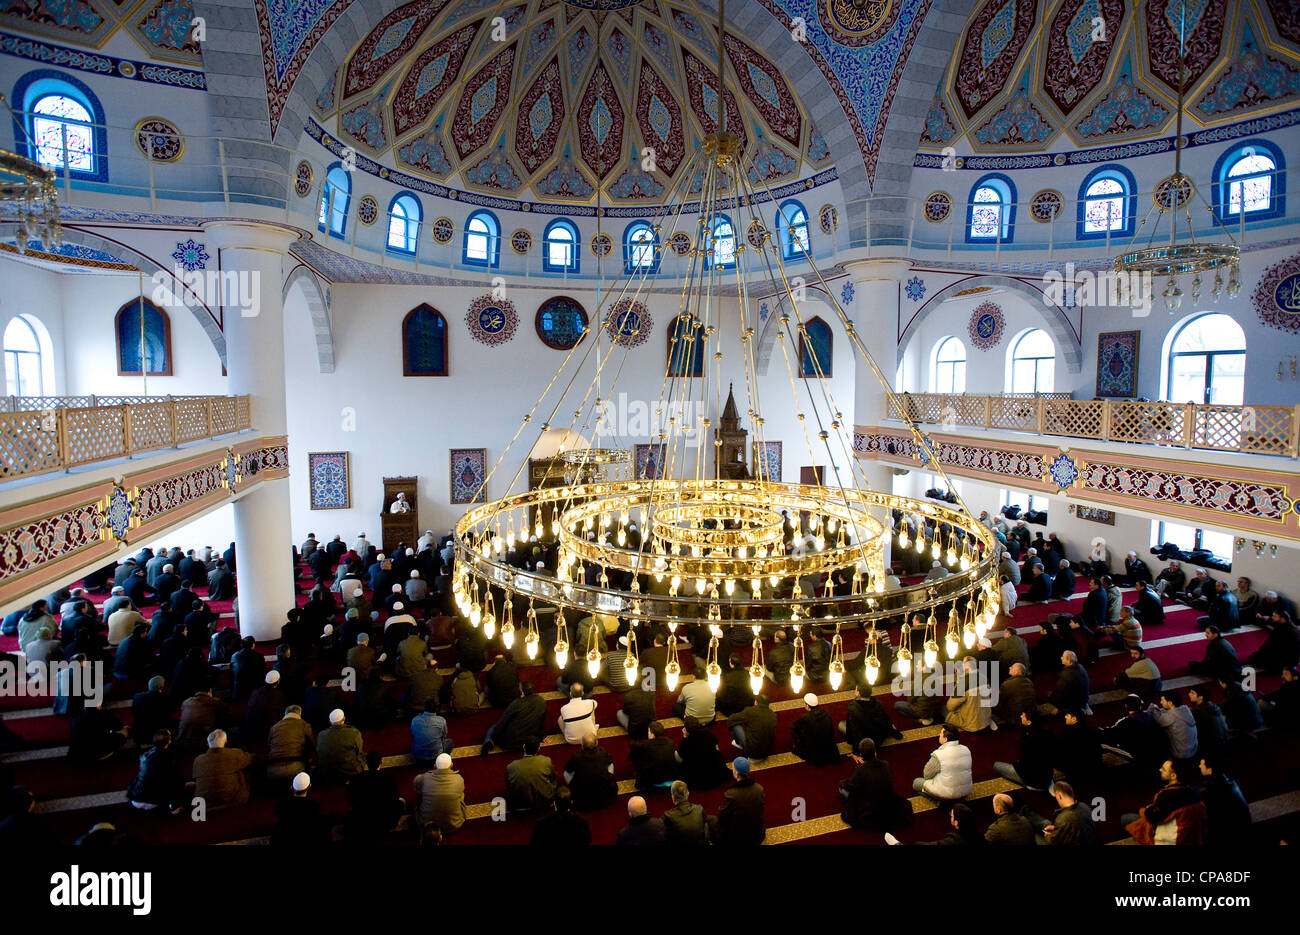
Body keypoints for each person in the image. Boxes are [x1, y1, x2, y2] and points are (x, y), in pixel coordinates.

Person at [1123, 759, 1207, 845]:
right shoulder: (1194, 791)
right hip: (1193, 839)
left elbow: (1152, 816)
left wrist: (1145, 810)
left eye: (1164, 769)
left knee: (1126, 818)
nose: (1160, 770)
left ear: (1173, 776)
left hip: (1173, 841)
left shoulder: (1168, 795)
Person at [840, 738, 911, 832]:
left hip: (870, 808)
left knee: (843, 790)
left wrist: (841, 783)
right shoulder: (885, 764)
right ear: (875, 752)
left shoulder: (860, 769)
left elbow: (850, 785)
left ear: (861, 755)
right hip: (887, 805)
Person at [344, 751, 405, 839]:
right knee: (401, 802)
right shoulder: (389, 779)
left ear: (366, 763)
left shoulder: (356, 779)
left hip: (362, 821)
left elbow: (351, 801)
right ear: (381, 762)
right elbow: (395, 798)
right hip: (385, 821)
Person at [1101, 695, 1169, 770]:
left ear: (1126, 706)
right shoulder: (1150, 717)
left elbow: (1109, 733)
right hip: (1158, 753)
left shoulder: (1126, 722)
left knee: (1104, 744)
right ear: (1140, 706)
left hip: (1141, 756)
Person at [993, 709, 1054, 791]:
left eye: (1023, 716)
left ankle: (1030, 785)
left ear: (1029, 722)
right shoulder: (1048, 733)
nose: (1021, 717)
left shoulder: (1028, 740)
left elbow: (1024, 765)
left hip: (1034, 780)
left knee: (996, 765)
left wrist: (1015, 765)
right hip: (1047, 776)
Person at [192, 729, 253, 809]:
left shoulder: (198, 760)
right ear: (226, 742)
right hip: (233, 799)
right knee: (243, 772)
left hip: (203, 803)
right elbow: (252, 759)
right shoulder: (234, 754)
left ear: (207, 744)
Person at [126, 729, 184, 813]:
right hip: (154, 802)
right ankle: (174, 808)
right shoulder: (169, 755)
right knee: (176, 780)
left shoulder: (145, 754)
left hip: (135, 800)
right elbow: (175, 779)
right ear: (168, 741)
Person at [1198, 755, 1252, 845]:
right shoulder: (1229, 783)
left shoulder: (1213, 790)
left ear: (1210, 770)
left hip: (1233, 833)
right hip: (1244, 828)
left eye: (1202, 764)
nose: (1199, 766)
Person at [482, 681, 547, 754]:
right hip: (527, 743)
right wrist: (541, 736)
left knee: (494, 727)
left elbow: (502, 722)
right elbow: (541, 723)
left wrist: (494, 737)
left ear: (522, 693)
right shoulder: (542, 702)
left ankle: (489, 742)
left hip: (508, 743)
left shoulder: (517, 703)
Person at [1025, 781, 1099, 845]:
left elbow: (1054, 841)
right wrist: (1056, 828)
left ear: (1059, 796)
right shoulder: (1084, 806)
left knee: (1035, 835)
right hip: (1087, 840)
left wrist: (1047, 835)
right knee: (1046, 824)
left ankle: (1026, 812)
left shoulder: (1063, 818)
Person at [912, 725, 973, 803]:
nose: (939, 735)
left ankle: (940, 803)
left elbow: (927, 775)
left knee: (916, 782)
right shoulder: (966, 749)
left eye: (940, 733)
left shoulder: (939, 754)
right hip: (966, 790)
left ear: (945, 739)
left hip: (948, 794)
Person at [715, 757, 766, 845]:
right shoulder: (759, 788)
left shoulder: (731, 794)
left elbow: (722, 815)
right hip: (757, 835)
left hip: (738, 838)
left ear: (736, 773)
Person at [414, 753, 466, 835]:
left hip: (426, 825)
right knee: (461, 795)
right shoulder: (459, 779)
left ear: (435, 766)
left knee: (421, 794)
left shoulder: (424, 778)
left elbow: (416, 785)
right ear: (451, 765)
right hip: (453, 824)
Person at [272, 772, 329, 846]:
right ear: (309, 786)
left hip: (282, 840)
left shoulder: (282, 803)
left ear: (292, 787)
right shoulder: (314, 805)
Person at [890, 802, 983, 846]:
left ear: (956, 823)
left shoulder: (954, 840)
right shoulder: (977, 835)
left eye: (952, 816)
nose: (950, 817)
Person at [564, 734, 617, 810]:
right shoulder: (603, 753)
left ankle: (572, 791)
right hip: (603, 796)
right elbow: (610, 762)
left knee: (566, 773)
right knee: (610, 764)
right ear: (597, 743)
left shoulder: (576, 757)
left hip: (582, 799)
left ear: (582, 745)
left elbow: (568, 770)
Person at [505, 738, 558, 812]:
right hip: (545, 802)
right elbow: (553, 778)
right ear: (538, 748)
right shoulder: (546, 761)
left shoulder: (511, 766)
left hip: (519, 805)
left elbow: (508, 783)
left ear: (524, 746)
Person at [266, 705, 315, 783]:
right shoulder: (304, 725)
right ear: (300, 714)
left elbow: (269, 746)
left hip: (273, 770)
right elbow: (312, 745)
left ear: (285, 714)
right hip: (295, 768)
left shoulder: (274, 727)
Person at [317, 709, 366, 783]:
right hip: (350, 772)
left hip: (327, 772)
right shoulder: (354, 733)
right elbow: (359, 751)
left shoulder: (321, 735)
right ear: (344, 719)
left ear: (330, 721)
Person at [790, 693, 840, 764]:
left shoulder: (806, 717)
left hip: (816, 755)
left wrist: (799, 740)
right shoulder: (826, 713)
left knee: (796, 748)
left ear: (807, 706)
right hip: (830, 751)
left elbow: (793, 727)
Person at [1149, 690, 1199, 761]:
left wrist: (1152, 709)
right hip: (1192, 750)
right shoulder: (1185, 709)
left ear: (1170, 703)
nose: (1160, 702)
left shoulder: (1172, 716)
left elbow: (1158, 720)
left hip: (1180, 754)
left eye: (1162, 700)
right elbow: (1167, 712)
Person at [1248, 608, 1300, 672]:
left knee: (1254, 657)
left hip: (1286, 660)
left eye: (1275, 616)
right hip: (1295, 659)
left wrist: (1261, 652)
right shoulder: (1293, 626)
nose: (1272, 617)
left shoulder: (1280, 630)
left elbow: (1269, 646)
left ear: (1283, 619)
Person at [727, 693, 777, 759]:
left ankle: (739, 743)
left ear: (756, 702)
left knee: (735, 725)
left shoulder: (750, 711)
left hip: (752, 752)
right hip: (767, 752)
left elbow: (731, 719)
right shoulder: (773, 715)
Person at [1041, 650, 1090, 716]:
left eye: (1063, 657)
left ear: (1069, 661)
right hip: (1084, 699)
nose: (1061, 658)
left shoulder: (1067, 675)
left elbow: (1060, 694)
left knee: (1047, 700)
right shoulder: (1081, 667)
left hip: (1073, 705)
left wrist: (1050, 697)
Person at [1186, 687, 1228, 761]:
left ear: (1200, 697)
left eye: (1192, 693)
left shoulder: (1198, 711)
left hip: (1212, 747)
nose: (1189, 694)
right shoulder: (1213, 706)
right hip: (1224, 741)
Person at [130, 676, 175, 747]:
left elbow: (133, 712)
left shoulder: (137, 696)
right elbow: (171, 712)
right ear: (162, 687)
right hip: (158, 735)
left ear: (149, 685)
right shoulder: (166, 698)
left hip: (139, 733)